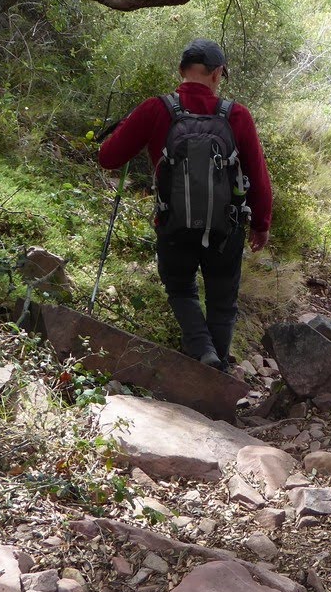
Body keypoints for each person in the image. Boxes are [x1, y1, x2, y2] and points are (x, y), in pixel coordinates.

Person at [98, 38, 272, 370]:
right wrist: (261, 224)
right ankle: (216, 371)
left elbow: (108, 158)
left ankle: (203, 351)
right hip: (226, 228)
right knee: (222, 302)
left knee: (181, 291)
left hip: (173, 223)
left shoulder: (156, 109)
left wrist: (126, 126)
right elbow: (258, 175)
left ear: (180, 71)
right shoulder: (236, 115)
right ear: (218, 74)